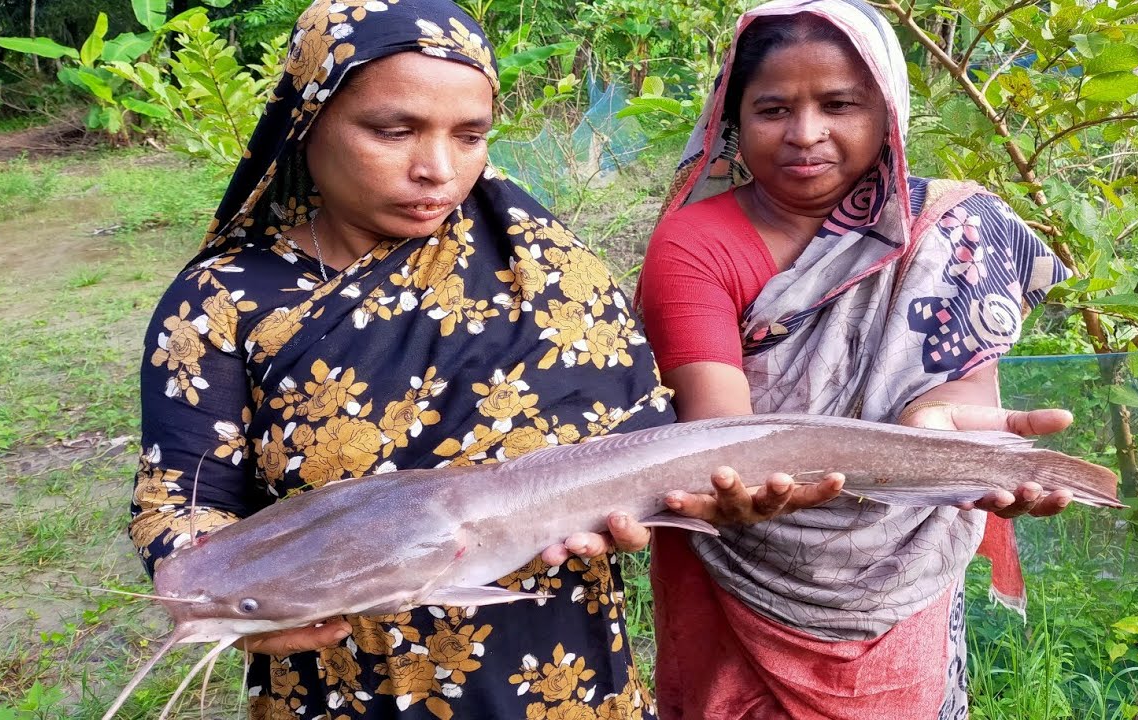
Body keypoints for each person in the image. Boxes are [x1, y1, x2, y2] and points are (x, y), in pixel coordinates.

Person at [126, 1, 809, 716]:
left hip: (558, 673)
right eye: (393, 131)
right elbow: (178, 497)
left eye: (471, 134)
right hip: (348, 686)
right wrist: (219, 595)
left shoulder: (547, 271)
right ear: (308, 120)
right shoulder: (223, 301)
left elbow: (651, 448)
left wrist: (680, 502)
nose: (438, 170)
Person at [635, 1, 1078, 718]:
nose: (806, 134)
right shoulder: (695, 244)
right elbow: (719, 440)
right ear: (733, 119)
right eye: (773, 108)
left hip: (896, 572)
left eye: (840, 104)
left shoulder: (957, 232)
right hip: (735, 568)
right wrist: (741, 488)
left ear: (889, 112)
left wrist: (949, 442)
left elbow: (949, 400)